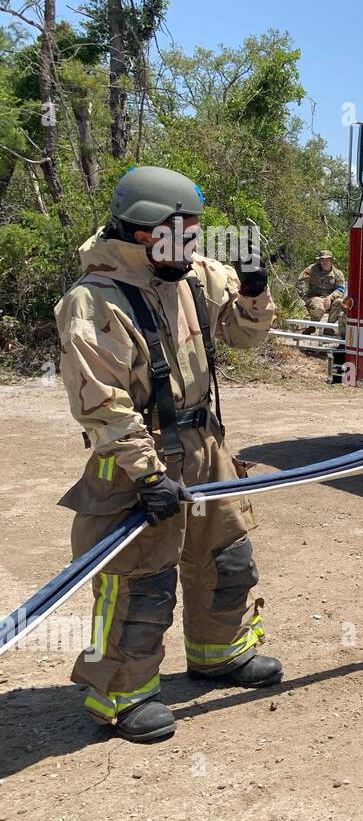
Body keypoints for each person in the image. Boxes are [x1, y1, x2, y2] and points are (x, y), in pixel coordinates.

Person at [53, 166, 281, 742]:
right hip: (137, 459)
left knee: (226, 558)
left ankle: (218, 653)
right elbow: (103, 406)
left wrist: (253, 293)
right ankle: (122, 693)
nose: (195, 246)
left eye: (197, 233)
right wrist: (150, 475)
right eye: (183, 234)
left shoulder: (194, 274)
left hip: (205, 446)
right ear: (141, 234)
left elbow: (245, 337)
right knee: (139, 581)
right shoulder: (93, 301)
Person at [297, 250, 346, 327]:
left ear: (331, 261)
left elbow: (340, 289)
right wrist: (304, 298)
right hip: (315, 297)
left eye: (327, 259)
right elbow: (300, 281)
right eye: (322, 259)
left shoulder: (338, 273)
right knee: (319, 307)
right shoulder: (312, 269)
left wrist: (330, 297)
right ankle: (312, 326)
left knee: (340, 302)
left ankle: (329, 327)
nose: (324, 262)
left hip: (330, 299)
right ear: (319, 261)